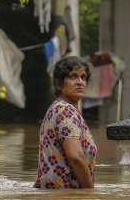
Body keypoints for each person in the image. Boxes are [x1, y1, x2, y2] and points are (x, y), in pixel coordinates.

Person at [34, 56, 97, 189]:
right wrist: (90, 193)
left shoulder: (58, 108)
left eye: (83, 77)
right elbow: (76, 157)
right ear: (59, 84)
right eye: (73, 76)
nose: (80, 82)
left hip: (55, 199)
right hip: (65, 199)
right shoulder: (65, 111)